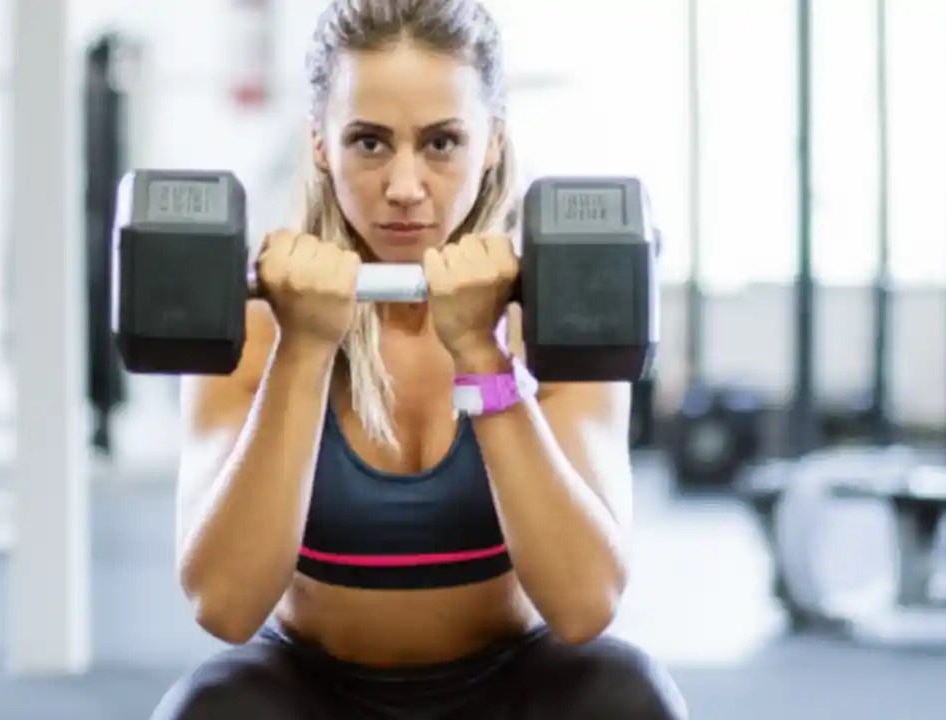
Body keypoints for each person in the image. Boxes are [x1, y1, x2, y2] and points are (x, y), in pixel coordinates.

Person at [152, 1, 686, 718]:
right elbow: (223, 605)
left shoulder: (559, 320)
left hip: (512, 690)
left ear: (491, 141)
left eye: (441, 143)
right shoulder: (256, 326)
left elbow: (586, 605)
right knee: (212, 709)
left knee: (627, 697)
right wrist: (304, 350)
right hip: (314, 693)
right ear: (320, 143)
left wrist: (484, 359)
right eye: (369, 143)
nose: (405, 188)